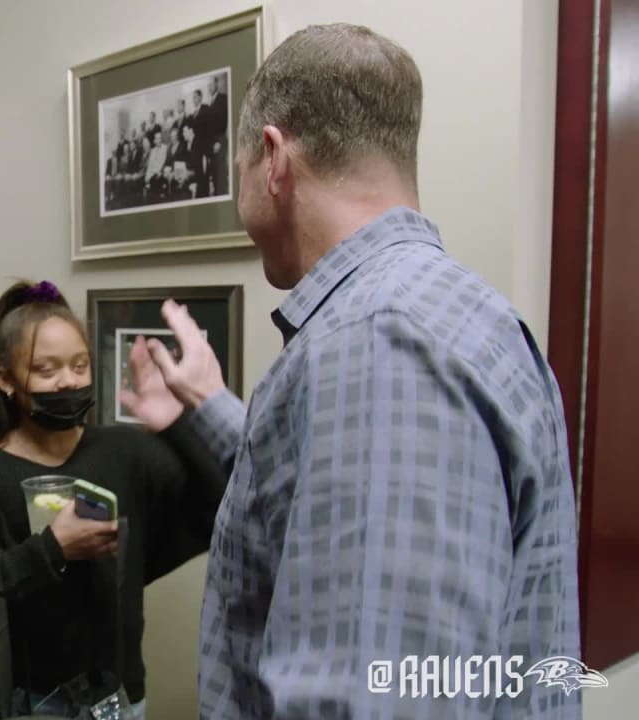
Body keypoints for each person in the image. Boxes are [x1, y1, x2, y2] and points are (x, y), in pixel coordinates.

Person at [122, 24, 582, 719]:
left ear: (272, 159)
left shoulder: (377, 344)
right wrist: (207, 401)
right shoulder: (444, 314)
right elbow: (333, 501)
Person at [0, 280, 226, 719]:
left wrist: (175, 423)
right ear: (5, 378)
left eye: (80, 366)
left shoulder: (124, 453)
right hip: (20, 701)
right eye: (46, 370)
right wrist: (51, 550)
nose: (68, 381)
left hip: (117, 701)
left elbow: (222, 506)